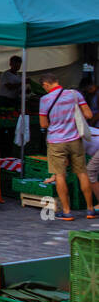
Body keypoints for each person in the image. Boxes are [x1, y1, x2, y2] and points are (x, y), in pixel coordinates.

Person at [38, 72, 97, 221]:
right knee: (82, 173)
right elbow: (89, 115)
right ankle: (90, 210)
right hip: (75, 140)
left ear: (45, 85)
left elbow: (43, 124)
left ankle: (67, 211)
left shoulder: (44, 100)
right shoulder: (75, 94)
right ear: (57, 81)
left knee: (60, 175)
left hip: (56, 142)